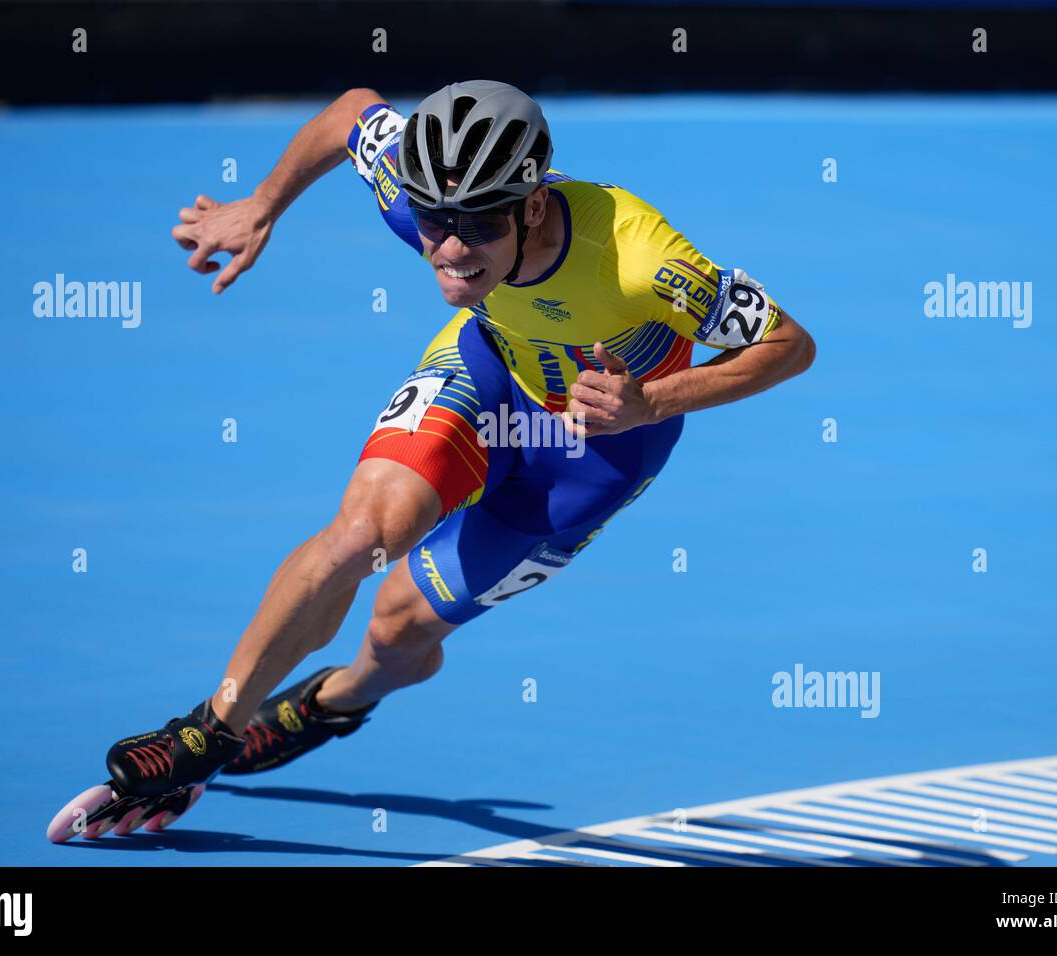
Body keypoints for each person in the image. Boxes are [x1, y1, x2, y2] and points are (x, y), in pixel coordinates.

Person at [105, 80, 814, 820]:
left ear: (532, 204)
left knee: (397, 630)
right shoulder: (420, 199)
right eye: (434, 220)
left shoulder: (638, 257)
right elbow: (352, 111)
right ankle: (212, 729)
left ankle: (334, 702)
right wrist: (262, 203)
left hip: (595, 447)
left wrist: (654, 401)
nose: (447, 248)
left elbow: (791, 345)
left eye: (476, 225)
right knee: (362, 537)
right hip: (487, 374)